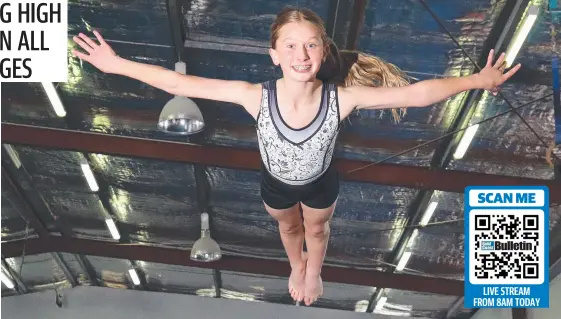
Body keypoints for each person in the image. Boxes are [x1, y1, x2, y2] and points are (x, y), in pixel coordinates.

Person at [71, 6, 520, 306]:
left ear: (322, 52)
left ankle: (314, 271)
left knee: (318, 228)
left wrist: (475, 81)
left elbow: (418, 94)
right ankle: (295, 265)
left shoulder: (342, 98)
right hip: (277, 182)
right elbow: (181, 85)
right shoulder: (253, 96)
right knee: (288, 224)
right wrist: (116, 65)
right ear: (274, 54)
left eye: (309, 45)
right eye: (290, 45)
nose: (301, 54)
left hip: (321, 181)